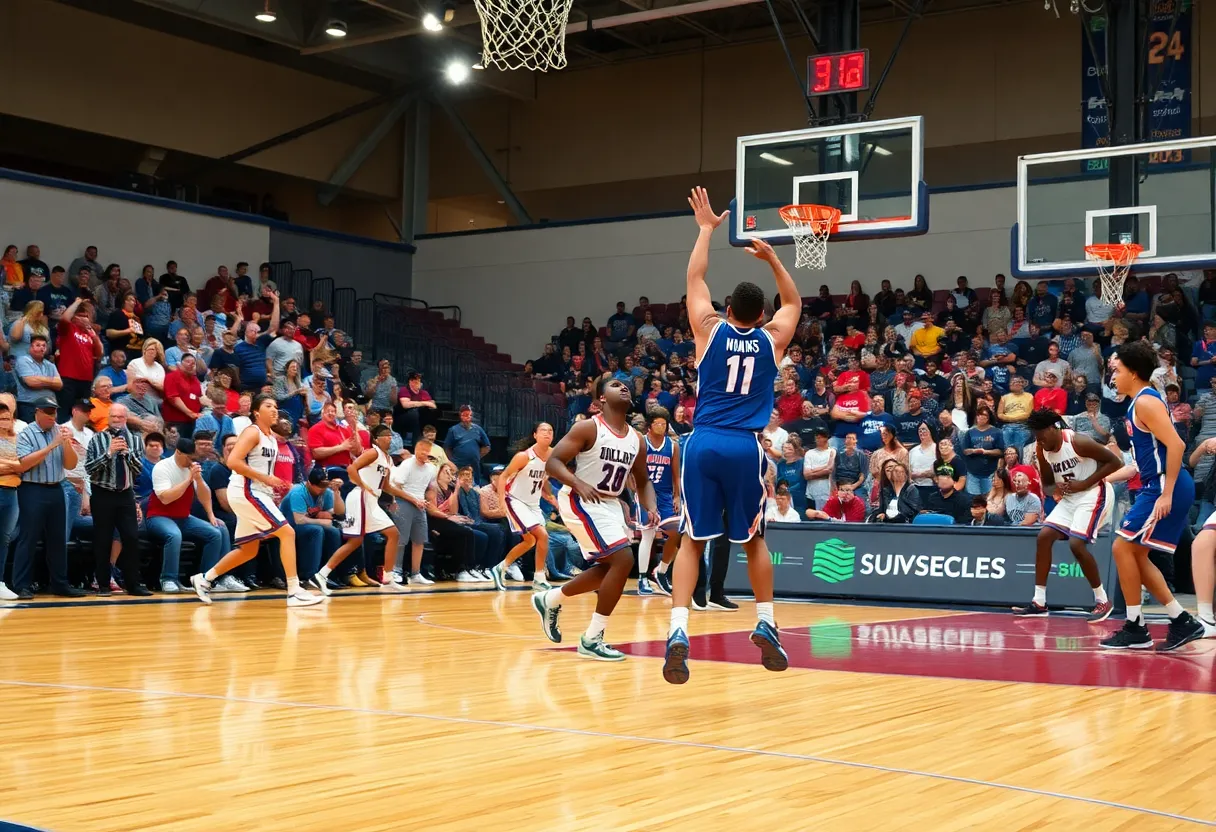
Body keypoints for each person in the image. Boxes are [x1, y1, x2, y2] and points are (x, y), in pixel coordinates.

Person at [663, 187, 799, 686]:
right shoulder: (773, 339)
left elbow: (694, 277)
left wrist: (706, 230)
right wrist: (773, 259)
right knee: (754, 539)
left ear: (726, 308)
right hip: (745, 445)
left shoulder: (708, 327)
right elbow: (793, 301)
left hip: (702, 442)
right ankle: (765, 621)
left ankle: (678, 629)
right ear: (761, 316)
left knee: (692, 541)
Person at [534, 377, 654, 661]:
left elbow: (643, 480)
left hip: (610, 504)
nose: (623, 387)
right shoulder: (588, 427)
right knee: (623, 559)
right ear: (601, 398)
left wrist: (651, 506)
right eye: (615, 385)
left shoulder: (636, 440)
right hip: (580, 499)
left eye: (626, 386)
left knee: (613, 566)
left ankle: (550, 599)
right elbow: (553, 463)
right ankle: (591, 638)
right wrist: (577, 483)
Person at [1098, 340, 1206, 650]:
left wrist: (1166, 493)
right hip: (1156, 483)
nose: (1113, 377)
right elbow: (1146, 458)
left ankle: (1137, 626)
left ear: (1133, 372)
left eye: (1117, 371)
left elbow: (1177, 445)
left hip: (1164, 485)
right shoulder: (1140, 402)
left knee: (1122, 547)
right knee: (1133, 553)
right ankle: (1179, 620)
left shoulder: (1146, 401)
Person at [188, 394, 322, 607]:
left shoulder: (272, 438)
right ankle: (294, 590)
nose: (274, 409)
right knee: (287, 533)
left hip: (258, 492)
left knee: (249, 549)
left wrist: (277, 484)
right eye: (269, 406)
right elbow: (233, 461)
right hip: (246, 491)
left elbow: (262, 469)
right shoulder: (252, 432)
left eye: (276, 406)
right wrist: (265, 479)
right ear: (256, 412)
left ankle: (204, 579)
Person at [1012, 409, 1121, 621]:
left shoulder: (1078, 441)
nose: (1040, 441)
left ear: (1053, 428)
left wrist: (1084, 483)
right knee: (1044, 536)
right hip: (1071, 498)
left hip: (1094, 493)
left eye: (1042, 436)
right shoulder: (1042, 449)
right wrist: (1056, 490)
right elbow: (1048, 485)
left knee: (1076, 544)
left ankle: (1102, 600)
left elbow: (1116, 463)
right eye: (1037, 438)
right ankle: (1039, 601)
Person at [314, 425, 409, 594]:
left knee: (393, 534)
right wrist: (363, 485)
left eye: (390, 435)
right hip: (360, 498)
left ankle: (388, 578)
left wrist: (412, 498)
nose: (389, 438)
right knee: (355, 541)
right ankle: (321, 575)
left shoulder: (388, 459)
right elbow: (351, 468)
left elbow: (386, 486)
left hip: (372, 501)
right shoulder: (373, 452)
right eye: (385, 435)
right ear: (376, 439)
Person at [10, 394, 86, 599]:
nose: (53, 416)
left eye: (55, 412)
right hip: (32, 489)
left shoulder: (60, 431)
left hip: (56, 488)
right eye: (49, 412)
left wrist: (66, 443)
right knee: (28, 537)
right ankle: (21, 585)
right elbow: (24, 463)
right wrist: (52, 445)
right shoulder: (26, 434)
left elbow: (70, 464)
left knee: (58, 539)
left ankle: (60, 584)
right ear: (37, 412)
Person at [82, 402, 151, 596]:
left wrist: (127, 454)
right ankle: (103, 584)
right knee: (103, 539)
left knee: (131, 537)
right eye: (113, 417)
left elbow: (138, 470)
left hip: (125, 494)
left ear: (126, 419)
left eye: (120, 417)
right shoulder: (97, 439)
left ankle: (133, 584)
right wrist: (109, 453)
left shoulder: (135, 441)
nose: (117, 420)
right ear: (108, 418)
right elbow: (90, 469)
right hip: (102, 493)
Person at [491, 422, 556, 592]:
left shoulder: (553, 455)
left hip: (533, 504)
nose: (547, 433)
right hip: (515, 500)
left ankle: (500, 568)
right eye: (543, 430)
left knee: (530, 541)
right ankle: (539, 578)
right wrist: (501, 501)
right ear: (535, 435)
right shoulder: (524, 456)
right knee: (542, 536)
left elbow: (543, 480)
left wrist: (551, 498)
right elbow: (503, 476)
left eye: (550, 431)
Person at [634, 410, 685, 598]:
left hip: (665, 495)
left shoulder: (672, 446)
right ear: (650, 425)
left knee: (677, 532)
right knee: (648, 535)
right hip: (646, 493)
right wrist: (639, 494)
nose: (661, 427)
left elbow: (676, 475)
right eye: (658, 423)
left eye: (664, 424)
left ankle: (661, 571)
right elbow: (634, 471)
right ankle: (642, 579)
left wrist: (677, 496)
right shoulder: (641, 442)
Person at [280, 468, 345, 591]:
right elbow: (299, 520)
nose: (322, 489)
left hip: (307, 523)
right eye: (319, 487)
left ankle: (327, 575)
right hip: (288, 526)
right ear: (310, 483)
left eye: (324, 486)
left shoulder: (326, 491)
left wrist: (336, 493)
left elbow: (339, 513)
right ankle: (309, 576)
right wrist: (322, 521)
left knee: (334, 532)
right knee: (316, 530)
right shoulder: (298, 492)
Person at [387, 438, 438, 585]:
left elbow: (430, 488)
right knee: (401, 539)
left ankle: (416, 574)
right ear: (416, 450)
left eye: (427, 452)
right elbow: (396, 487)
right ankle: (395, 571)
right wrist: (414, 500)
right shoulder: (407, 464)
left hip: (420, 504)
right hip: (403, 501)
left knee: (419, 540)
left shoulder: (431, 469)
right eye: (422, 451)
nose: (425, 454)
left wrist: (427, 500)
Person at [444, 405, 491, 483]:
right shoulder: (453, 430)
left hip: (474, 466)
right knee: (458, 484)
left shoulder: (478, 429)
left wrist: (477, 456)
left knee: (474, 485)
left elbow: (487, 446)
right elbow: (447, 448)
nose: (468, 417)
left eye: (469, 415)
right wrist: (452, 462)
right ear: (461, 416)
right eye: (465, 415)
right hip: (458, 465)